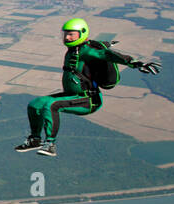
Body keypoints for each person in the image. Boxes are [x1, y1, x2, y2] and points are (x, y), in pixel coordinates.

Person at [16, 17, 160, 157]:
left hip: (88, 100)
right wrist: (106, 43)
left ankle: (50, 144)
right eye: (65, 34)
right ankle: (35, 139)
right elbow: (98, 45)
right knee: (34, 104)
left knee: (51, 105)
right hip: (73, 95)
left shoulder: (86, 51)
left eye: (71, 34)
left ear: (81, 34)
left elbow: (107, 54)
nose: (67, 37)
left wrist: (136, 63)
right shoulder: (75, 49)